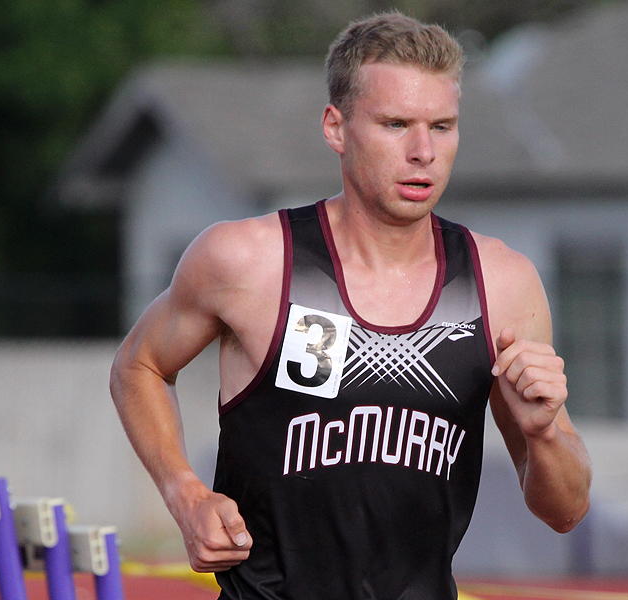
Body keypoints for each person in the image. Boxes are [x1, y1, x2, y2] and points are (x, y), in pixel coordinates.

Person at [110, 11, 591, 599]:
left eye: (442, 126)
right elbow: (138, 366)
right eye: (395, 124)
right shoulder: (248, 262)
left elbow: (564, 510)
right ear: (336, 127)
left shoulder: (502, 283)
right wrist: (183, 493)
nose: (422, 151)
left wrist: (543, 434)